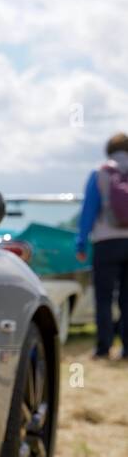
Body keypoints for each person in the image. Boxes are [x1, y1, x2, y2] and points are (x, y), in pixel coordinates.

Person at [75, 132, 128, 359]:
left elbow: (88, 212)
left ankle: (103, 347)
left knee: (103, 298)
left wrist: (81, 244)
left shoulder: (100, 173)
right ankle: (127, 349)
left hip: (105, 243)